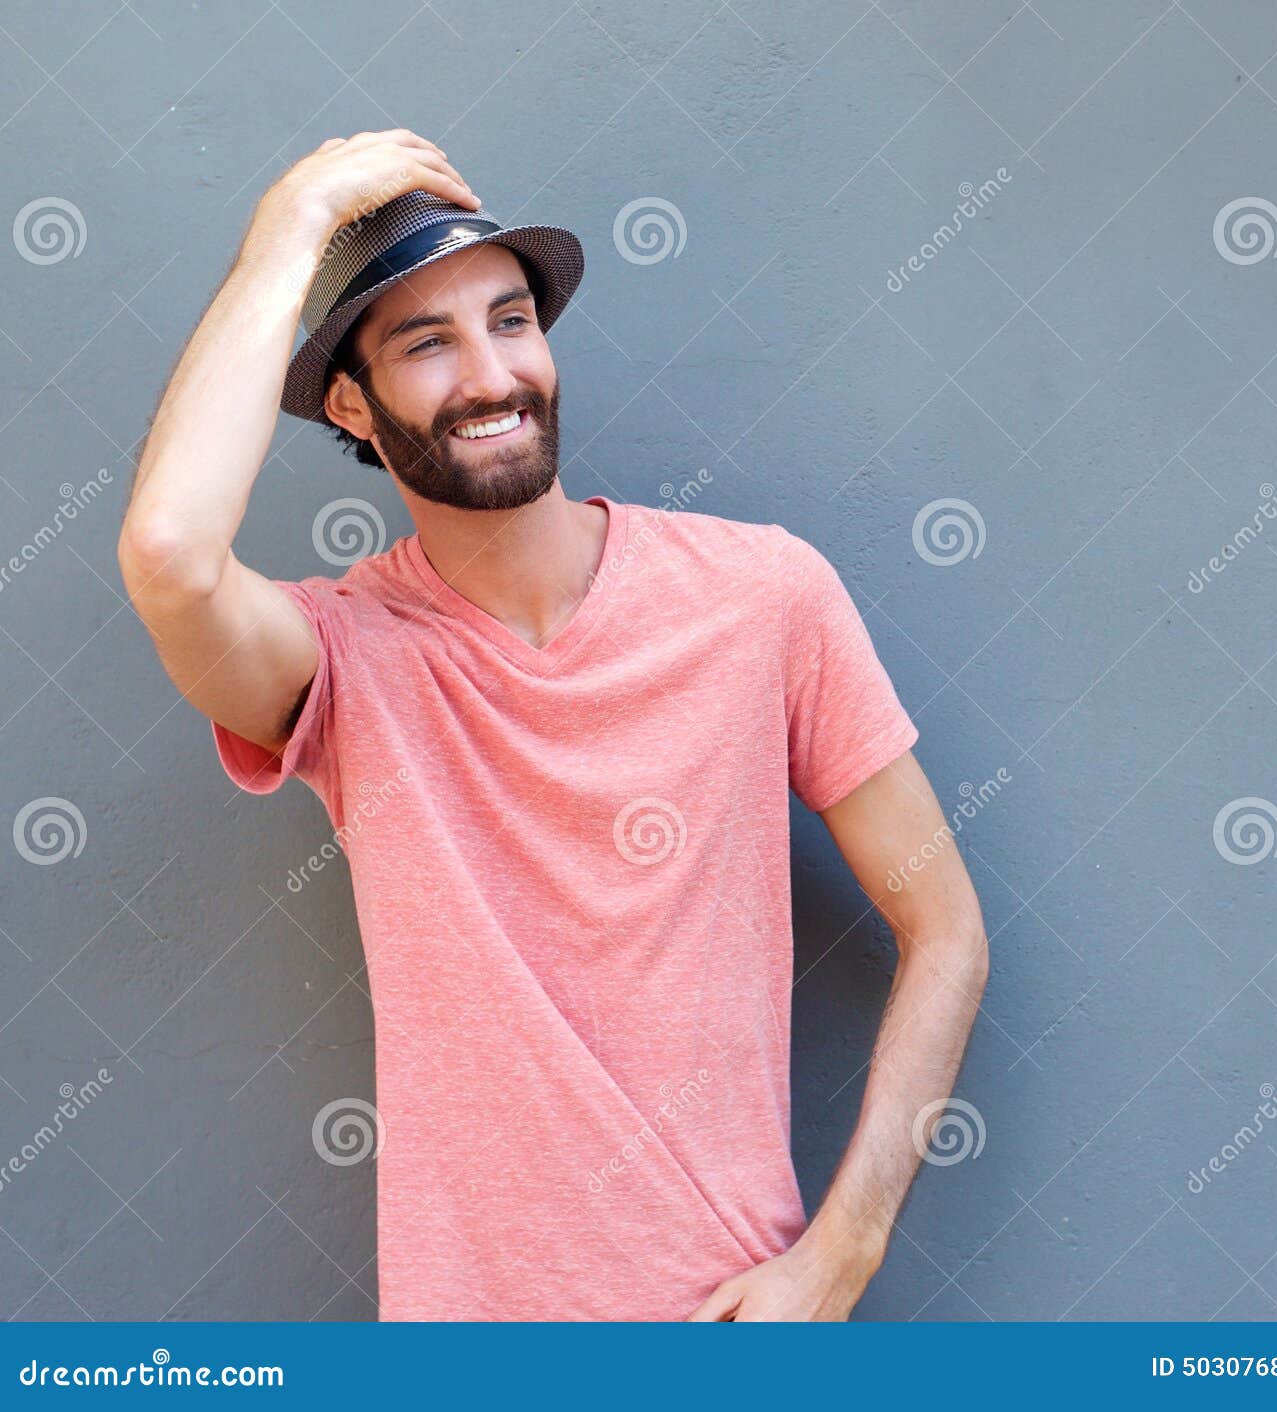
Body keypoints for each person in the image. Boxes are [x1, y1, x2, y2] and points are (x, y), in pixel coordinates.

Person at [117, 129, 989, 1321]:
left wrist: (839, 1257)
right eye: (426, 343)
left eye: (511, 319)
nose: (491, 374)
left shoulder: (764, 595)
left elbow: (944, 928)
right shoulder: (341, 657)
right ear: (349, 406)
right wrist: (293, 216)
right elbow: (169, 554)